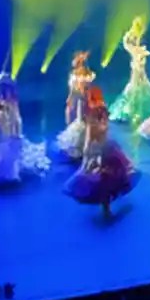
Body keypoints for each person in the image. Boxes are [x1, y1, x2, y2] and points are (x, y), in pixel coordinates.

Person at [62, 86, 139, 217]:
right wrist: (87, 160)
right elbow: (89, 142)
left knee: (110, 178)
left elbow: (99, 137)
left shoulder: (99, 119)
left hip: (107, 151)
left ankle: (107, 205)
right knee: (103, 180)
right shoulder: (92, 121)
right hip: (101, 151)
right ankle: (106, 205)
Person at [0, 71, 51, 183]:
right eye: (3, 89)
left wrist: (16, 132)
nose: (5, 91)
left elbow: (16, 119)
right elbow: (0, 120)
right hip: (5, 132)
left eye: (6, 88)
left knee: (14, 150)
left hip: (13, 132)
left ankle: (14, 171)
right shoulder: (0, 103)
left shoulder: (13, 102)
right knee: (6, 152)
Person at [110, 16, 150, 124]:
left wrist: (140, 52)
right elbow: (127, 44)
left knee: (142, 82)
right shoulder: (130, 39)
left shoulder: (139, 38)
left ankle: (141, 111)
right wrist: (136, 51)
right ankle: (134, 111)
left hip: (140, 64)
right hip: (136, 64)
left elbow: (140, 48)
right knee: (135, 84)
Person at [55, 51, 95, 161]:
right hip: (79, 100)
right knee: (77, 119)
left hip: (84, 100)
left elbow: (88, 88)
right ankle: (79, 145)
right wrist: (70, 98)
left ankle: (85, 145)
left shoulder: (85, 75)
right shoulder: (74, 76)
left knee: (84, 120)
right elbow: (72, 91)